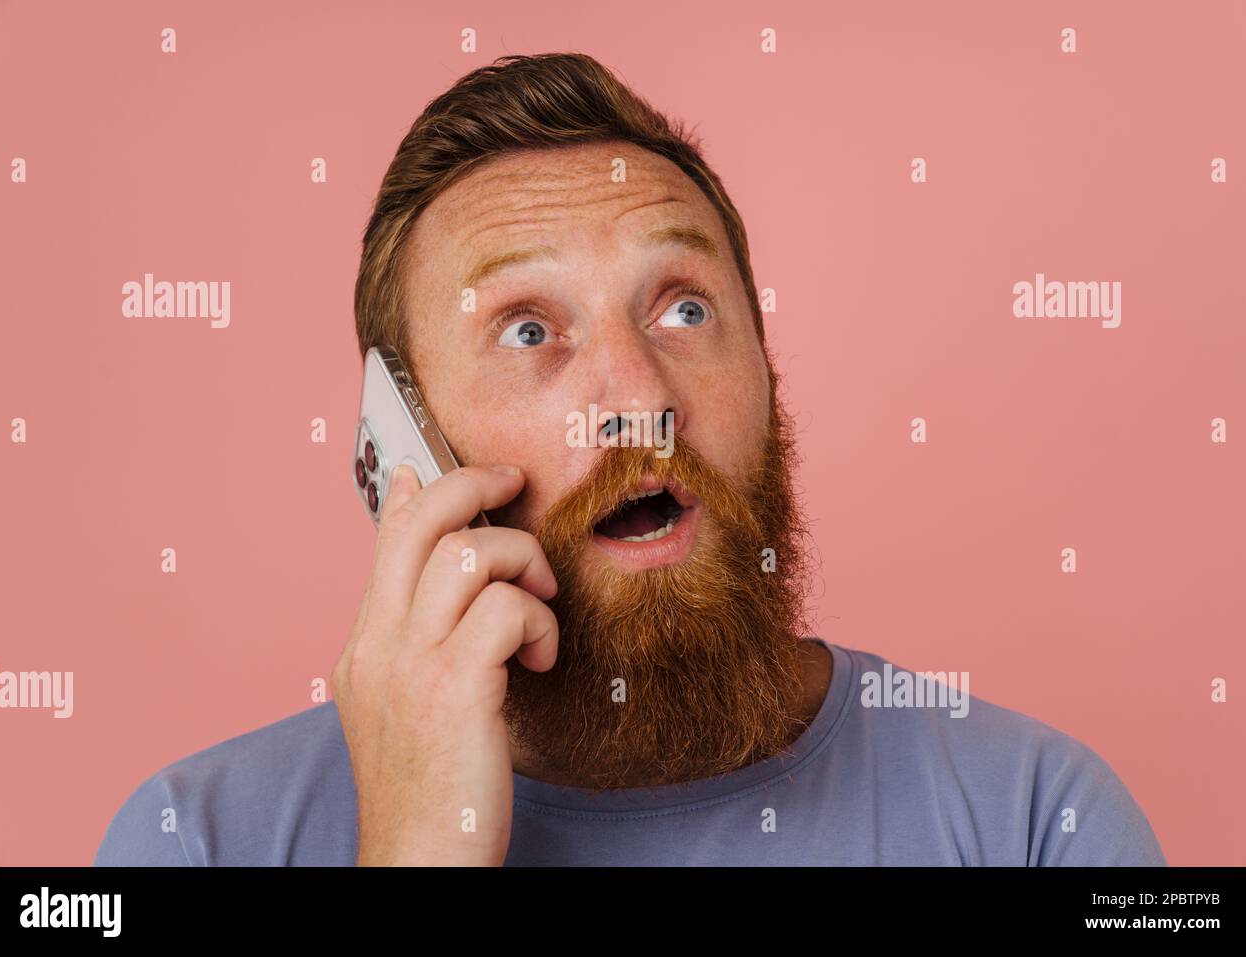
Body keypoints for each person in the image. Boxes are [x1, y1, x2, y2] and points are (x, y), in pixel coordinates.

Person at [95, 53, 1165, 866]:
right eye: (528, 331)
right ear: (400, 452)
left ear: (769, 372)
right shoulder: (193, 841)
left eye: (683, 308)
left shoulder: (1038, 820)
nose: (642, 404)